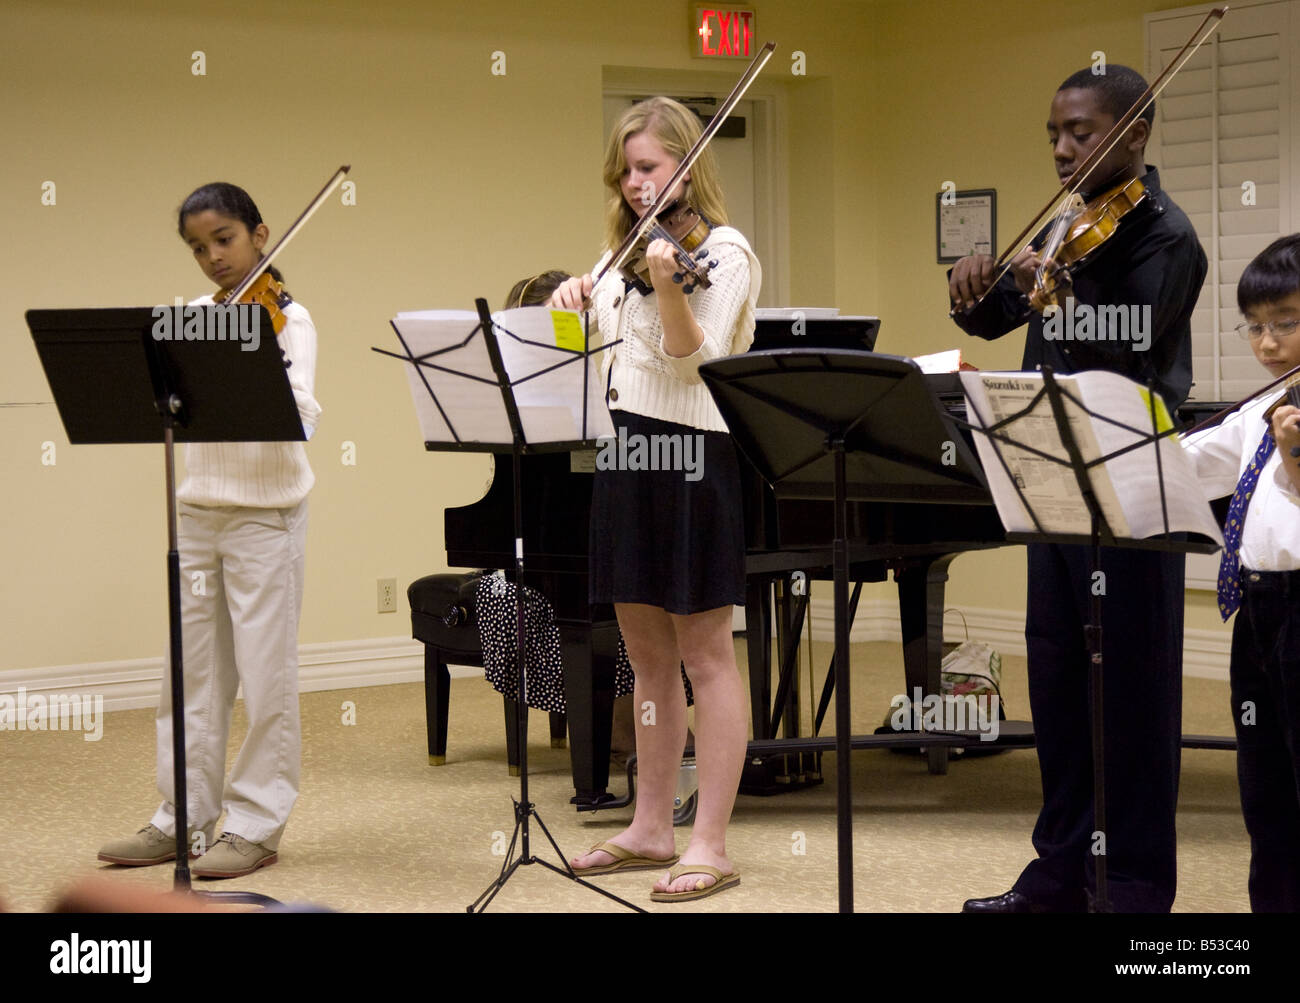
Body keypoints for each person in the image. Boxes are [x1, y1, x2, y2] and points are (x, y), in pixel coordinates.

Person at [948, 65, 1207, 912]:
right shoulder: (1069, 226)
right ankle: (1059, 870)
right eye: (1054, 134)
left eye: (1080, 132)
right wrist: (976, 289)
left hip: (1131, 491)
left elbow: (1123, 349)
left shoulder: (1167, 237)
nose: (1061, 149)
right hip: (1051, 481)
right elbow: (995, 318)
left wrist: (1051, 289)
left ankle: (1130, 882)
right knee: (1059, 687)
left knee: (1131, 693)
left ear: (1134, 133)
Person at [551, 96, 761, 901]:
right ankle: (649, 824)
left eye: (650, 167)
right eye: (628, 171)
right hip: (625, 452)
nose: (637, 184)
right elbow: (610, 360)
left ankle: (710, 839)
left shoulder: (728, 251)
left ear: (686, 164)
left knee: (706, 654)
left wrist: (669, 288)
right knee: (645, 659)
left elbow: (688, 364)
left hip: (694, 457)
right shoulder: (620, 255)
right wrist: (575, 298)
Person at [98, 182, 321, 879]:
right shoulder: (190, 317)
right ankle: (182, 815)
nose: (213, 257)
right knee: (189, 674)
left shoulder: (290, 319)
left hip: (264, 514)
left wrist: (266, 359)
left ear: (260, 234)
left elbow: (306, 415)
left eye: (224, 239)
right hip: (196, 512)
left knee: (265, 675)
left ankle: (255, 824)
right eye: (198, 247)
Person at [1182, 234, 1300, 912]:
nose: (1267, 343)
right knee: (1266, 794)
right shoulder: (1265, 406)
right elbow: (1189, 458)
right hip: (1257, 612)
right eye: (1255, 326)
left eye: (1285, 322)